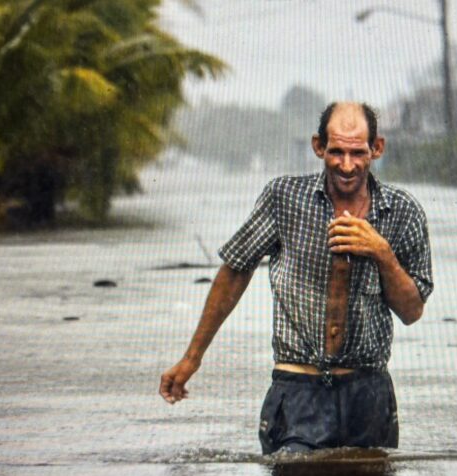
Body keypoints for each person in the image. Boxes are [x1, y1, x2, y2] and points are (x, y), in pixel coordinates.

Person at [159, 101, 433, 454]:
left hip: (368, 393)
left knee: (370, 475)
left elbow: (412, 311)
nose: (346, 165)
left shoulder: (402, 211)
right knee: (293, 471)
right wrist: (192, 358)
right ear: (318, 147)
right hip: (298, 388)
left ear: (376, 148)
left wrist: (381, 252)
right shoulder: (284, 198)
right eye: (336, 152)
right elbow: (235, 271)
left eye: (357, 153)